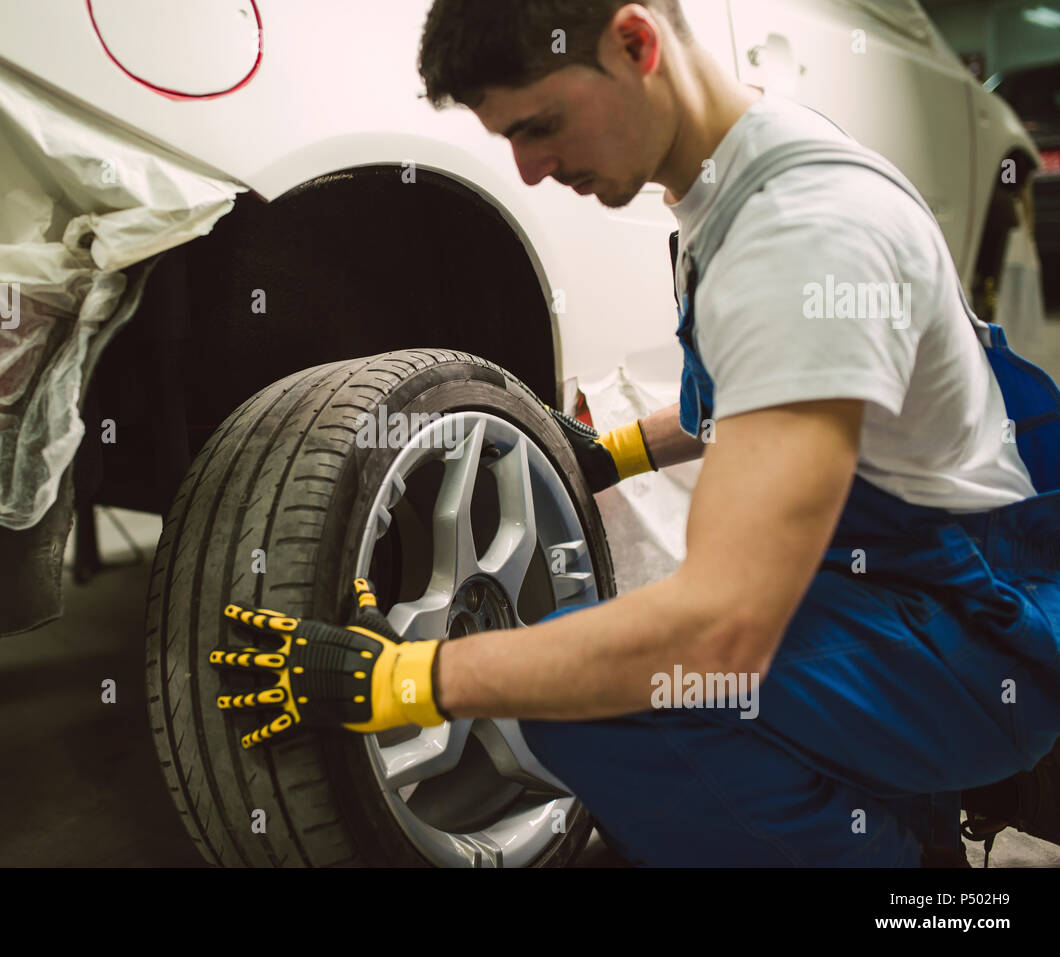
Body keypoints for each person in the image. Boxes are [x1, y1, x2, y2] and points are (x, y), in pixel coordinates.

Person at [210, 0, 1060, 866]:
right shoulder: (741, 171)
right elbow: (764, 398)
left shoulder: (805, 235)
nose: (530, 169)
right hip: (899, 578)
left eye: (540, 125)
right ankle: (909, 814)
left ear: (635, 42)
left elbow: (720, 630)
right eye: (507, 140)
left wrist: (409, 678)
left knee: (598, 693)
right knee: (600, 647)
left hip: (980, 629)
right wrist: (613, 452)